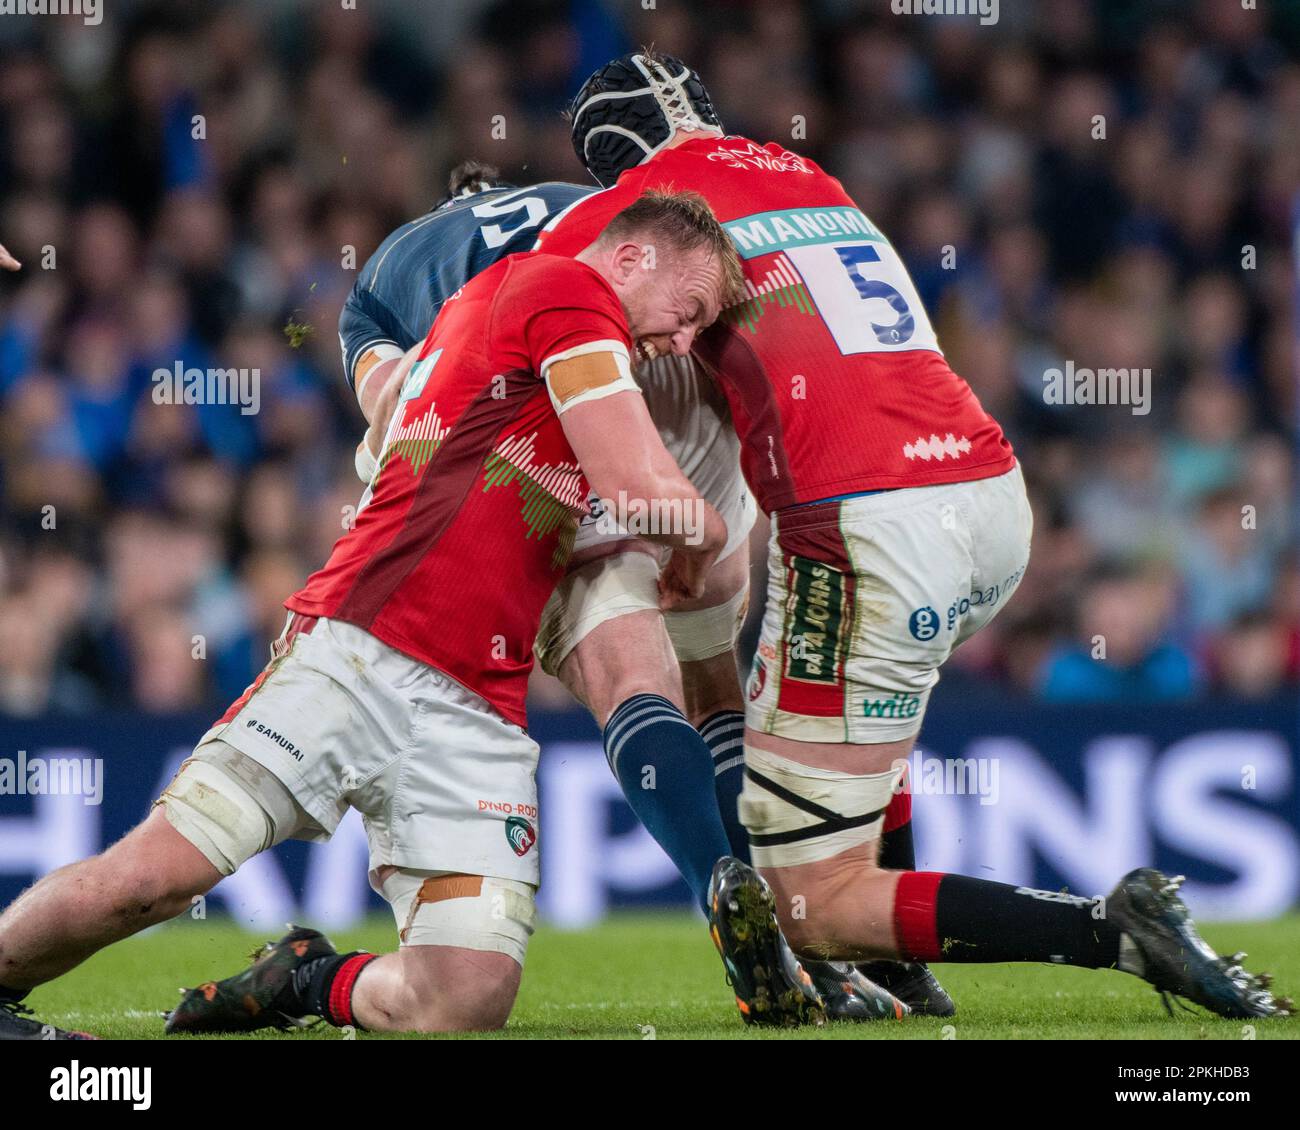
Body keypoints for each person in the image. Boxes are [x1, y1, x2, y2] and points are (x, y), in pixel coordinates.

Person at [549, 52, 1288, 1022]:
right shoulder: (808, 175)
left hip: (871, 527)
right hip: (987, 494)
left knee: (807, 900)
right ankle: (903, 968)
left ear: (614, 164)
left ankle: (1112, 928)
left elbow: (532, 298)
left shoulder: (631, 216)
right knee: (863, 735)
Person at [0, 189, 744, 1039]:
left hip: (479, 708)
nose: (684, 343)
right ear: (632, 258)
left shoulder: (529, 341)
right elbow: (638, 488)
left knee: (462, 1003)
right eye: (688, 314)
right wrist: (705, 535)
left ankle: (305, 980)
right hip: (362, 655)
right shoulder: (562, 293)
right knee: (148, 883)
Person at [338, 159, 891, 1022]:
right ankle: (795, 934)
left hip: (524, 434)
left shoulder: (386, 275)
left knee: (624, 675)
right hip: (675, 406)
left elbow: (397, 412)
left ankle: (720, 883)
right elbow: (683, 287)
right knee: (708, 687)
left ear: (448, 194)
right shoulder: (594, 207)